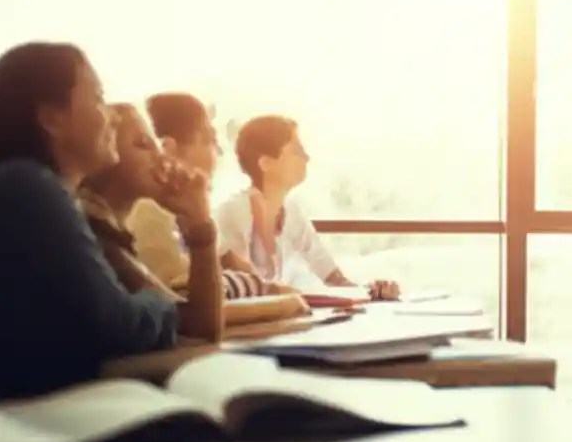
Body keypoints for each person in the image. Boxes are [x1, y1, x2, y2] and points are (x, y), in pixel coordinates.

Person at [0, 43, 221, 402]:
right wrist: (159, 304)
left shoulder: (22, 186)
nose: (112, 117)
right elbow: (117, 327)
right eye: (98, 98)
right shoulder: (28, 188)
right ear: (52, 118)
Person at [82, 104, 307, 321]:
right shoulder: (99, 237)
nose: (161, 157)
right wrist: (200, 222)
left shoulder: (114, 233)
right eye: (142, 144)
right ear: (105, 149)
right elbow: (196, 321)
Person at [214, 115, 398, 299]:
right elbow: (249, 287)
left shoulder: (292, 212)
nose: (306, 157)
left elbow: (332, 276)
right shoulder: (234, 213)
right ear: (266, 163)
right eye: (296, 151)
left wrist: (371, 291)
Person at [125, 92, 272, 289]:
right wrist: (261, 288)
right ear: (169, 149)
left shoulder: (190, 211)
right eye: (208, 140)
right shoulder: (147, 211)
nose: (218, 152)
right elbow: (187, 291)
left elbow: (231, 263)